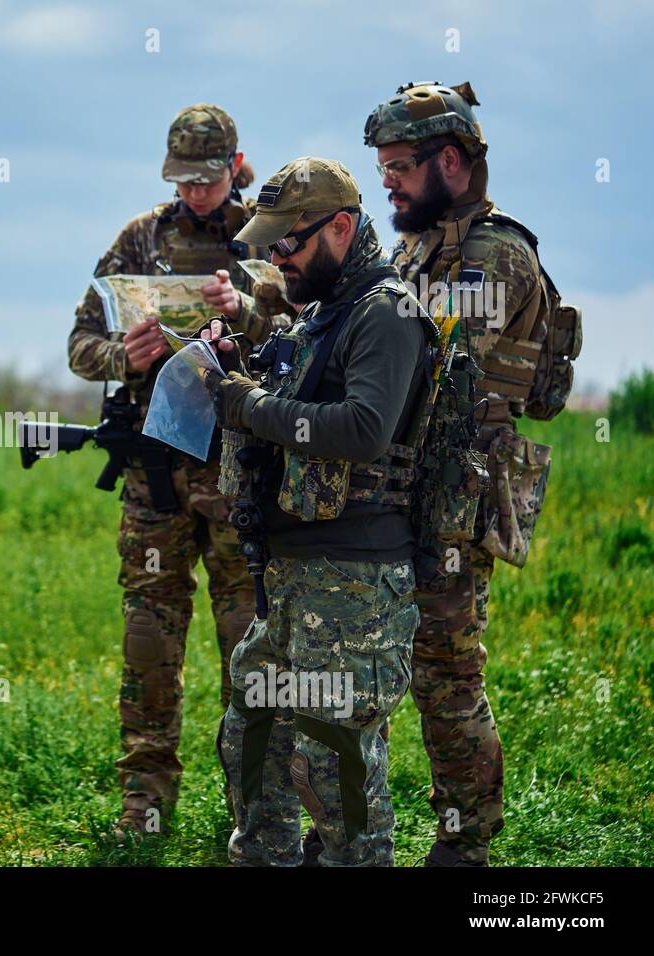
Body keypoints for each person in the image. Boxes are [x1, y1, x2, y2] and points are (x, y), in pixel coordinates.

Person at [210, 157, 430, 866]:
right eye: (270, 245)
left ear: (341, 227)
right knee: (252, 734)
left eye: (290, 243)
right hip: (295, 580)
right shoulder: (321, 315)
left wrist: (251, 404)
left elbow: (364, 428)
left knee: (331, 767)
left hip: (355, 583)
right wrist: (231, 373)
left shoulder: (387, 310)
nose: (278, 260)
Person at [364, 81, 556, 866]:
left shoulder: (494, 253)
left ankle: (464, 842)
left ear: (452, 159)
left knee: (444, 674)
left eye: (401, 166)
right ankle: (350, 827)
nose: (388, 182)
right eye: (380, 169)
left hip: (456, 494)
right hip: (398, 485)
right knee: (366, 659)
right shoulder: (418, 244)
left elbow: (433, 369)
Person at [67, 103, 270, 839]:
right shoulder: (140, 239)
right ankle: (144, 805)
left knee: (249, 639)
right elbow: (80, 343)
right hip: (156, 473)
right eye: (182, 182)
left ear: (235, 166)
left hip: (242, 470)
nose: (194, 195)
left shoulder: (269, 237)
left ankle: (257, 805)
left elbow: (313, 340)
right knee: (150, 640)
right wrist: (128, 355)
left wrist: (248, 309)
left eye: (207, 181)